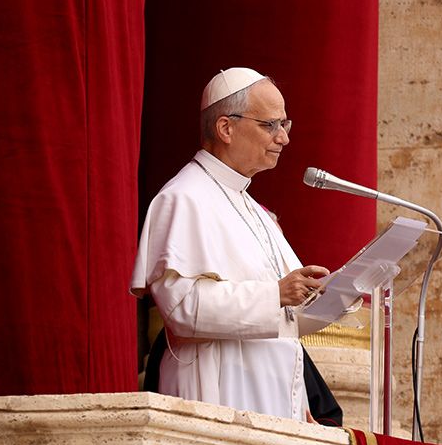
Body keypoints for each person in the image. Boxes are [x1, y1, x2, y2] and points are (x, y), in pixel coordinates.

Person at [132, 67, 342, 425]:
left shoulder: (253, 210)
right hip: (218, 388)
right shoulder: (184, 199)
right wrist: (274, 294)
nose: (283, 139)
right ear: (226, 128)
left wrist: (338, 294)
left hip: (271, 395)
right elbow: (182, 309)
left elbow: (287, 320)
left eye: (284, 125)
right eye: (270, 125)